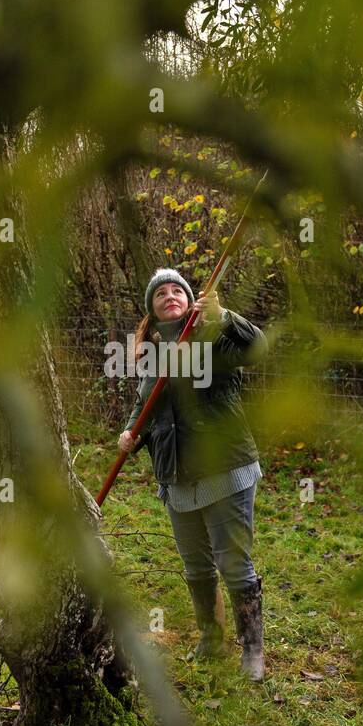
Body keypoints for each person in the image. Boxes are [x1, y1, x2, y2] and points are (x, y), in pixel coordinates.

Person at [118, 267, 268, 681]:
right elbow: (145, 404)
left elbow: (257, 348)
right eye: (160, 293)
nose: (169, 296)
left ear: (188, 300)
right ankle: (211, 638)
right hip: (176, 473)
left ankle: (252, 651)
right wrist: (132, 432)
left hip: (225, 467)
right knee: (196, 565)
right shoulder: (152, 353)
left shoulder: (213, 336)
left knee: (233, 561)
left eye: (176, 290)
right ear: (151, 308)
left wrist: (224, 317)